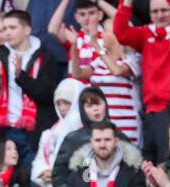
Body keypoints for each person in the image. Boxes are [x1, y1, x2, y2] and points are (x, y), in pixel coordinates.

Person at [0, 9, 62, 166]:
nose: (7, 33)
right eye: (5, 28)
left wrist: (21, 76)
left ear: (27, 30)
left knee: (32, 182)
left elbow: (48, 96)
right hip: (4, 132)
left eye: (12, 28)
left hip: (35, 133)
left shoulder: (46, 57)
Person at [51, 0, 142, 144]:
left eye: (107, 32)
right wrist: (74, 47)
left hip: (127, 125)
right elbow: (78, 74)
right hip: (102, 122)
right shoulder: (98, 58)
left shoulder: (131, 58)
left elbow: (117, 71)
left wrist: (100, 2)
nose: (103, 34)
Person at [111, 0, 170, 115]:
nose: (160, 15)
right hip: (153, 109)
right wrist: (126, 3)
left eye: (164, 10)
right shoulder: (145, 33)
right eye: (154, 12)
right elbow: (121, 33)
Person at [31, 77, 84, 187]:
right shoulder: (51, 131)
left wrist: (57, 174)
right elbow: (39, 159)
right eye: (59, 103)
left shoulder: (83, 130)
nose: (62, 108)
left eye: (66, 103)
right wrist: (43, 173)